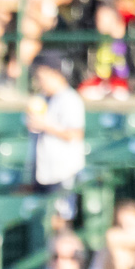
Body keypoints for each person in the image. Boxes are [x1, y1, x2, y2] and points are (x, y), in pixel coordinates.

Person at [27, 53, 86, 198]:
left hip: (63, 171)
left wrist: (46, 126)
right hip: (42, 170)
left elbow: (75, 135)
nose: (39, 80)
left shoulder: (70, 99)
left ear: (55, 73)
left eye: (42, 75)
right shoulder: (41, 98)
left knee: (60, 215)